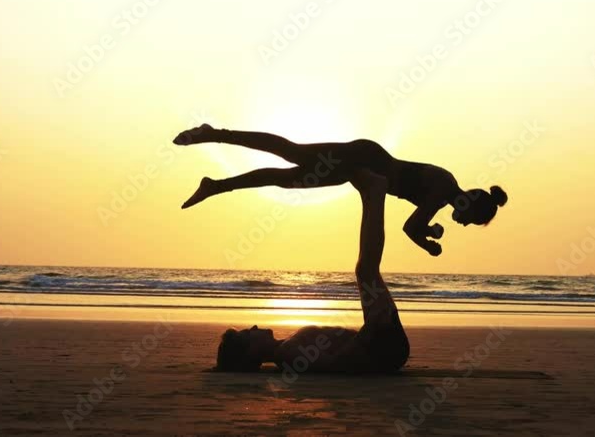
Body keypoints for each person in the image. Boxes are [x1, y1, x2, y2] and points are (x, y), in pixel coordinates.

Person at [174, 123, 507, 256]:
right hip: (363, 160)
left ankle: (216, 185)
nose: (465, 224)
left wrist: (429, 231)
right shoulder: (442, 189)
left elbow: (417, 222)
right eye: (471, 220)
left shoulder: (444, 191)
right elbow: (410, 227)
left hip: (359, 168)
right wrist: (428, 243)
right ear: (470, 203)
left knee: (285, 178)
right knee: (292, 153)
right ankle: (215, 134)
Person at [214, 170, 409, 373]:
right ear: (251, 352)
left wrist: (370, 329)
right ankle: (374, 194)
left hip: (380, 342)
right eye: (247, 333)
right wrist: (368, 331)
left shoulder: (286, 347)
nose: (253, 327)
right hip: (380, 349)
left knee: (365, 270)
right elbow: (335, 364)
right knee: (365, 271)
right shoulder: (287, 354)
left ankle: (371, 194)